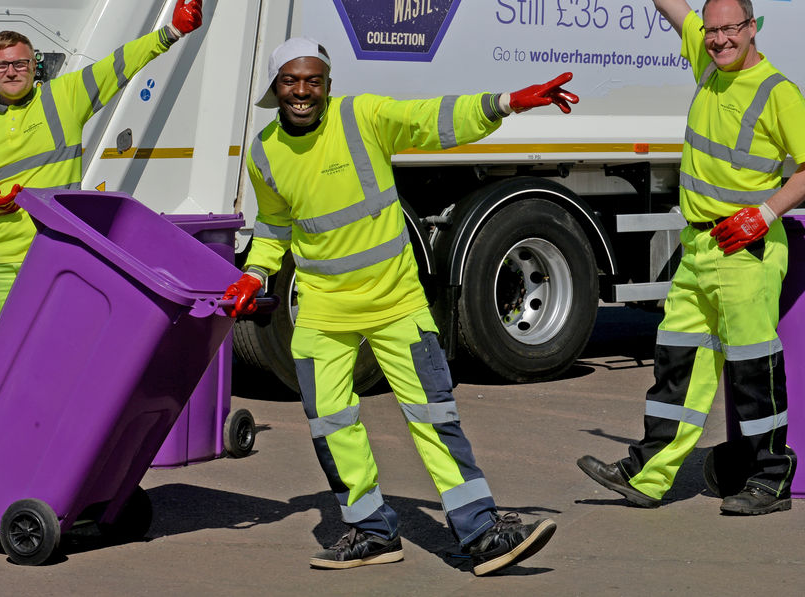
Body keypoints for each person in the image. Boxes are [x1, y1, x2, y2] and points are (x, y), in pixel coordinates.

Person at [223, 38, 575, 575]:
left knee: (434, 417)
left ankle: (482, 534)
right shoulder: (265, 151)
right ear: (275, 88)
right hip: (323, 307)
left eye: (312, 80)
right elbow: (274, 225)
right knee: (331, 423)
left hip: (395, 299)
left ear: (328, 85)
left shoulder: (362, 116)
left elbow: (434, 118)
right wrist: (255, 270)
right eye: (291, 81)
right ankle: (371, 532)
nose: (302, 91)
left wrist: (506, 103)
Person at [576, 0, 805, 516]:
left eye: (729, 32)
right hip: (698, 248)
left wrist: (764, 213)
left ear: (753, 28)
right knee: (676, 365)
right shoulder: (708, 65)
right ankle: (650, 474)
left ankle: (771, 480)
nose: (717, 41)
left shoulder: (777, 92)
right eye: (712, 33)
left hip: (748, 251)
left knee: (752, 373)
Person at [0, 0, 209, 341]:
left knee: (59, 345)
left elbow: (119, 64)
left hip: (55, 251)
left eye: (20, 63)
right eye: (1, 65)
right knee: (0, 352)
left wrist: (171, 32)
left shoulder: (64, 97)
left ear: (34, 64)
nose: (11, 72)